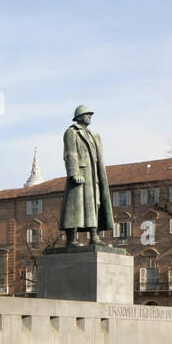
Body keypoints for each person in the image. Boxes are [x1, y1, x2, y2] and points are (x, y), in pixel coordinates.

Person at [59, 104, 114, 246]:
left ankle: (94, 236)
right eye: (87, 114)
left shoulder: (93, 135)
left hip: (93, 175)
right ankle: (71, 240)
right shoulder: (72, 132)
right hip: (81, 174)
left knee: (94, 204)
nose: (90, 117)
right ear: (79, 116)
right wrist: (73, 173)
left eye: (90, 115)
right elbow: (70, 153)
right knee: (75, 206)